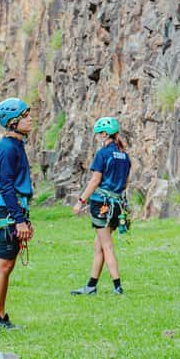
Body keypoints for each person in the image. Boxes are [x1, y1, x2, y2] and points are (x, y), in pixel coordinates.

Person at [71, 117, 132, 296]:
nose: (98, 137)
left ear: (105, 134)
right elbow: (126, 182)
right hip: (117, 206)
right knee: (99, 246)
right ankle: (91, 286)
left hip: (102, 205)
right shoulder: (125, 156)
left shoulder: (103, 154)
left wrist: (81, 201)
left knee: (107, 246)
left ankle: (117, 286)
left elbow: (95, 180)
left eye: (99, 134)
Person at [0, 97, 34, 331]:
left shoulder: (17, 145)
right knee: (2, 265)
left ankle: (1, 315)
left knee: (9, 266)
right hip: (7, 210)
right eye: (25, 116)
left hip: (16, 209)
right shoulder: (7, 148)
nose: (30, 119)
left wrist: (24, 218)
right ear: (13, 121)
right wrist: (18, 219)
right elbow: (5, 186)